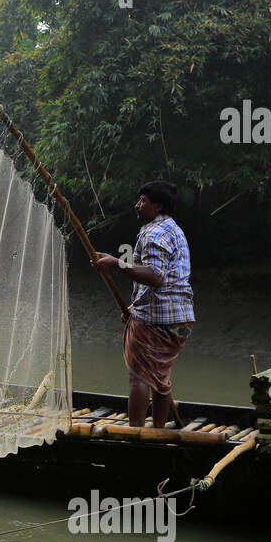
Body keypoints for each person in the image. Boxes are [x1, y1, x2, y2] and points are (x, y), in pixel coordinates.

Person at [92, 181, 195, 429]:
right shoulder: (174, 230)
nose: (137, 206)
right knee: (160, 375)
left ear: (158, 205)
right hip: (181, 319)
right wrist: (134, 307)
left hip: (156, 320)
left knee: (139, 376)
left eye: (143, 201)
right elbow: (166, 278)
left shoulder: (154, 233)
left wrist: (117, 263)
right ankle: (158, 431)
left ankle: (136, 433)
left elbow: (156, 277)